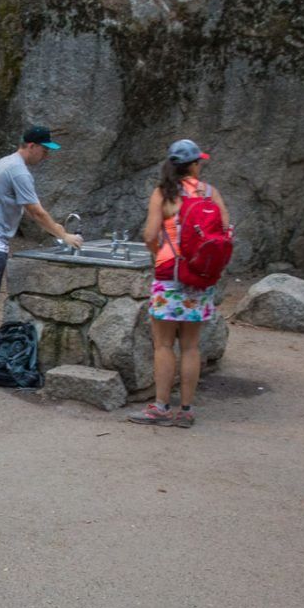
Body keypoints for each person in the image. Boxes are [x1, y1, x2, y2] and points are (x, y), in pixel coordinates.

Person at [0, 125, 84, 365]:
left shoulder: (8, 162)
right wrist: (63, 234)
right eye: (45, 150)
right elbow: (35, 211)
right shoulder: (18, 171)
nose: (46, 155)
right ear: (32, 146)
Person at [128, 139, 230, 428]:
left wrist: (159, 255)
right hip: (200, 278)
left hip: (168, 275)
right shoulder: (210, 193)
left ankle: (161, 407)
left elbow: (150, 235)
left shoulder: (163, 193)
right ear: (194, 164)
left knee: (162, 345)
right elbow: (223, 232)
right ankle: (186, 411)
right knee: (191, 347)